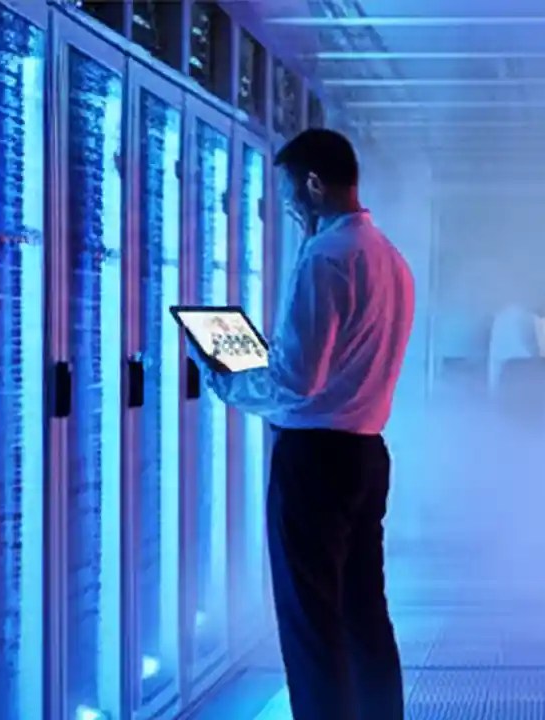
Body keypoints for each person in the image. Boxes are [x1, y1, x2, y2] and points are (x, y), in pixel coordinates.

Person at [194, 128, 414, 720]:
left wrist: (227, 380)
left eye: (290, 191)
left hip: (316, 461)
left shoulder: (325, 255)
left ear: (314, 184)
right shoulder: (392, 259)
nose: (288, 205)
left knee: (311, 621)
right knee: (364, 612)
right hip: (367, 456)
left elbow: (297, 380)